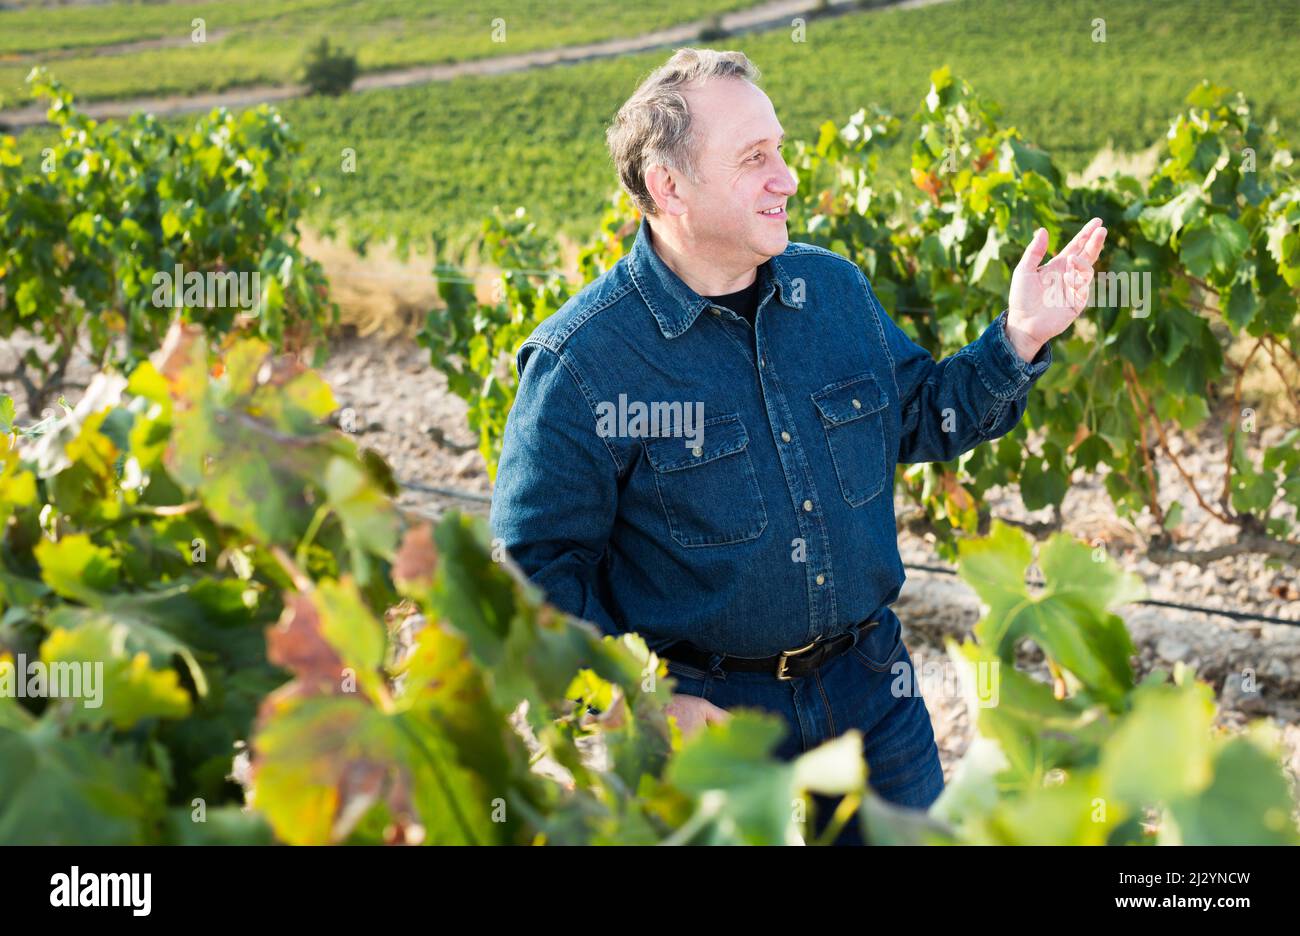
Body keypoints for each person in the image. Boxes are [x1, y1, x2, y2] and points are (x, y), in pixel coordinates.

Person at [489, 48, 1107, 844]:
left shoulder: (833, 293)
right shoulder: (584, 362)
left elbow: (921, 414)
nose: (786, 177)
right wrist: (641, 704)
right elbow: (535, 568)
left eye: (779, 150)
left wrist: (1019, 339)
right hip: (704, 721)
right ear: (667, 186)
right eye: (754, 159)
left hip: (869, 694)